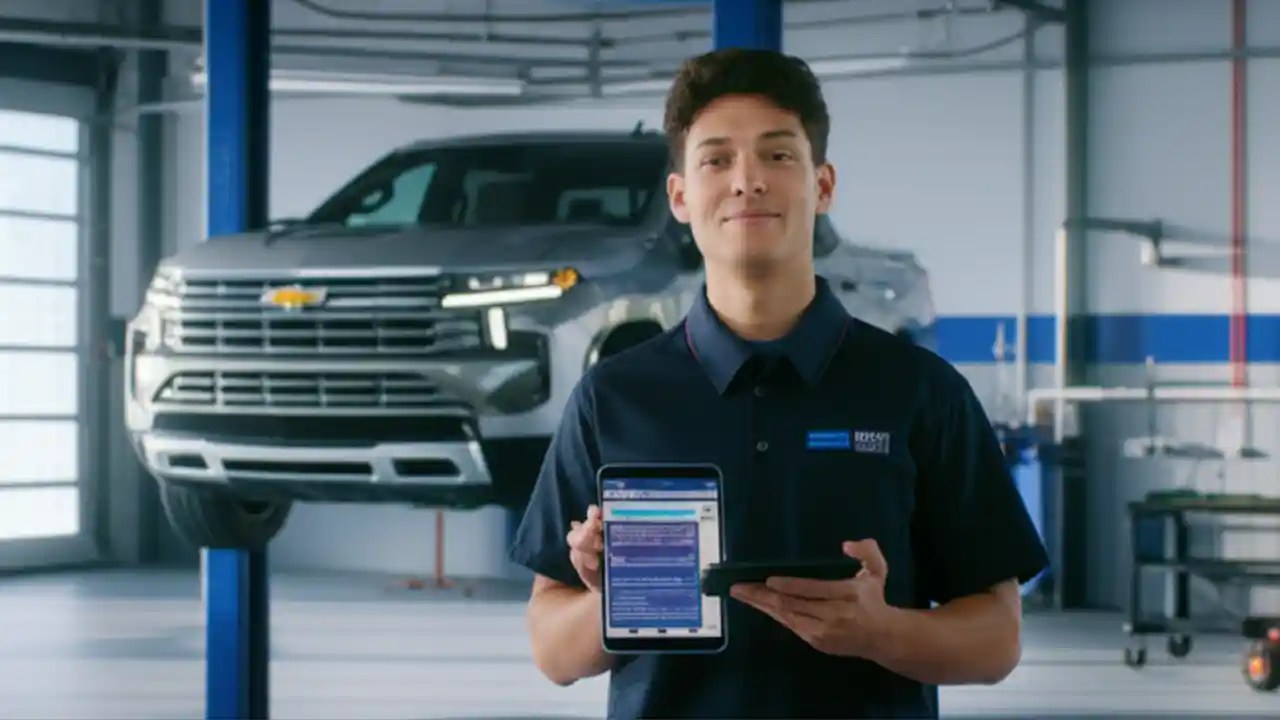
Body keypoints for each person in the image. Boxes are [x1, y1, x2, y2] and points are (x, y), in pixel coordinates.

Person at [507, 47, 1050, 719]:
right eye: (716, 160)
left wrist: (881, 632)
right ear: (680, 197)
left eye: (777, 154)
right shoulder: (615, 398)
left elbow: (996, 639)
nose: (747, 181)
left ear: (823, 185)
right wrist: (620, 600)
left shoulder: (919, 391)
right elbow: (553, 650)